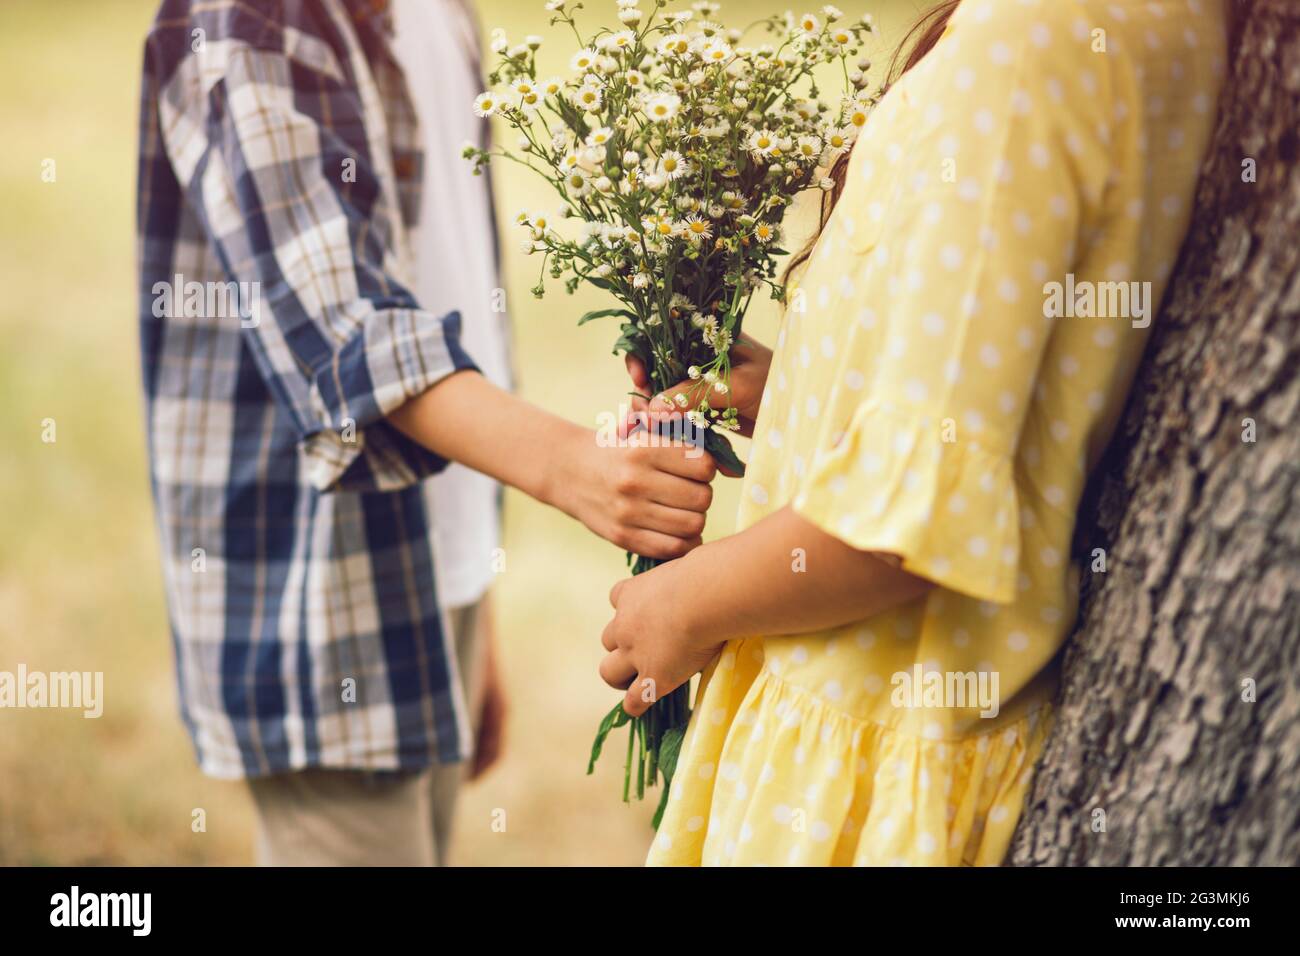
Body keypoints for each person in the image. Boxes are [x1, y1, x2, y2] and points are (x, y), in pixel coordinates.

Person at [601, 0, 1227, 865]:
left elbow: (903, 533)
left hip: (864, 765)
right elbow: (997, 393)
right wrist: (800, 393)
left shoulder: (1028, 48)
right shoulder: (1137, 27)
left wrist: (681, 602)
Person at [137, 0, 713, 866]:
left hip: (435, 567)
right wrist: (572, 465)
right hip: (316, 586)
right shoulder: (237, 18)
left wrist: (470, 605)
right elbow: (344, 328)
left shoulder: (440, 12)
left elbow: (452, 283)